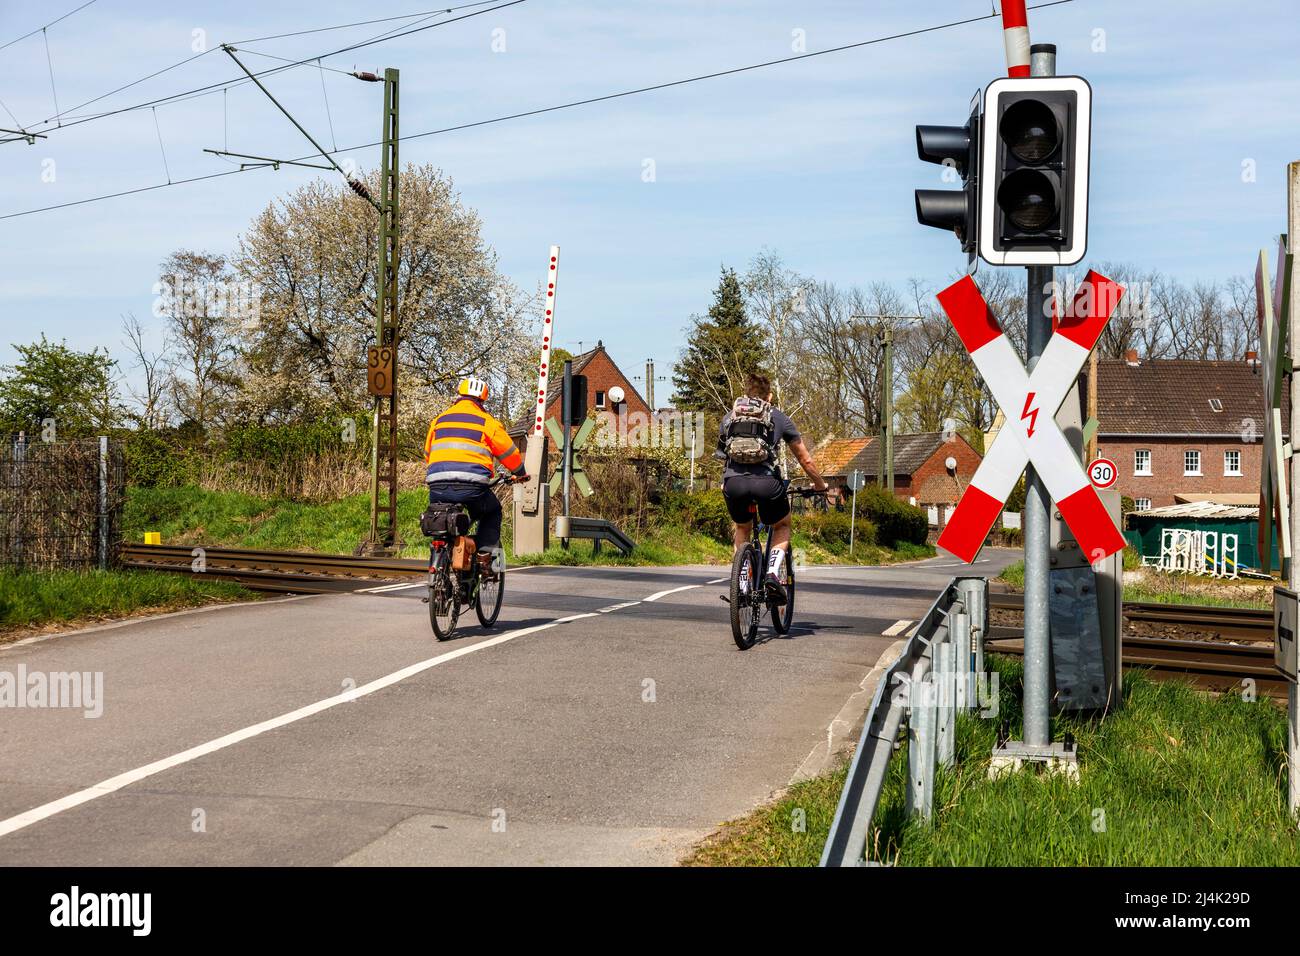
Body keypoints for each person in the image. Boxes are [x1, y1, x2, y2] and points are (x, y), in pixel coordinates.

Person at [718, 373, 828, 603]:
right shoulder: (778, 417)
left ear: (746, 394)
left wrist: (725, 481)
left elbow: (722, 455)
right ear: (769, 396)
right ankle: (772, 575)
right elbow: (805, 460)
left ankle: (743, 585)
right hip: (766, 485)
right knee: (781, 524)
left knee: (742, 528)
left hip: (734, 484)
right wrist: (820, 484)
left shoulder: (729, 417)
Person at [424, 377, 528, 577]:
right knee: (492, 511)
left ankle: (438, 569)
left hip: (437, 484)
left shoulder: (439, 420)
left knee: (441, 521)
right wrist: (520, 474)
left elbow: (428, 453)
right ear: (482, 401)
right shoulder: (487, 423)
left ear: (459, 396)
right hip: (471, 489)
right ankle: (483, 559)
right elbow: (510, 454)